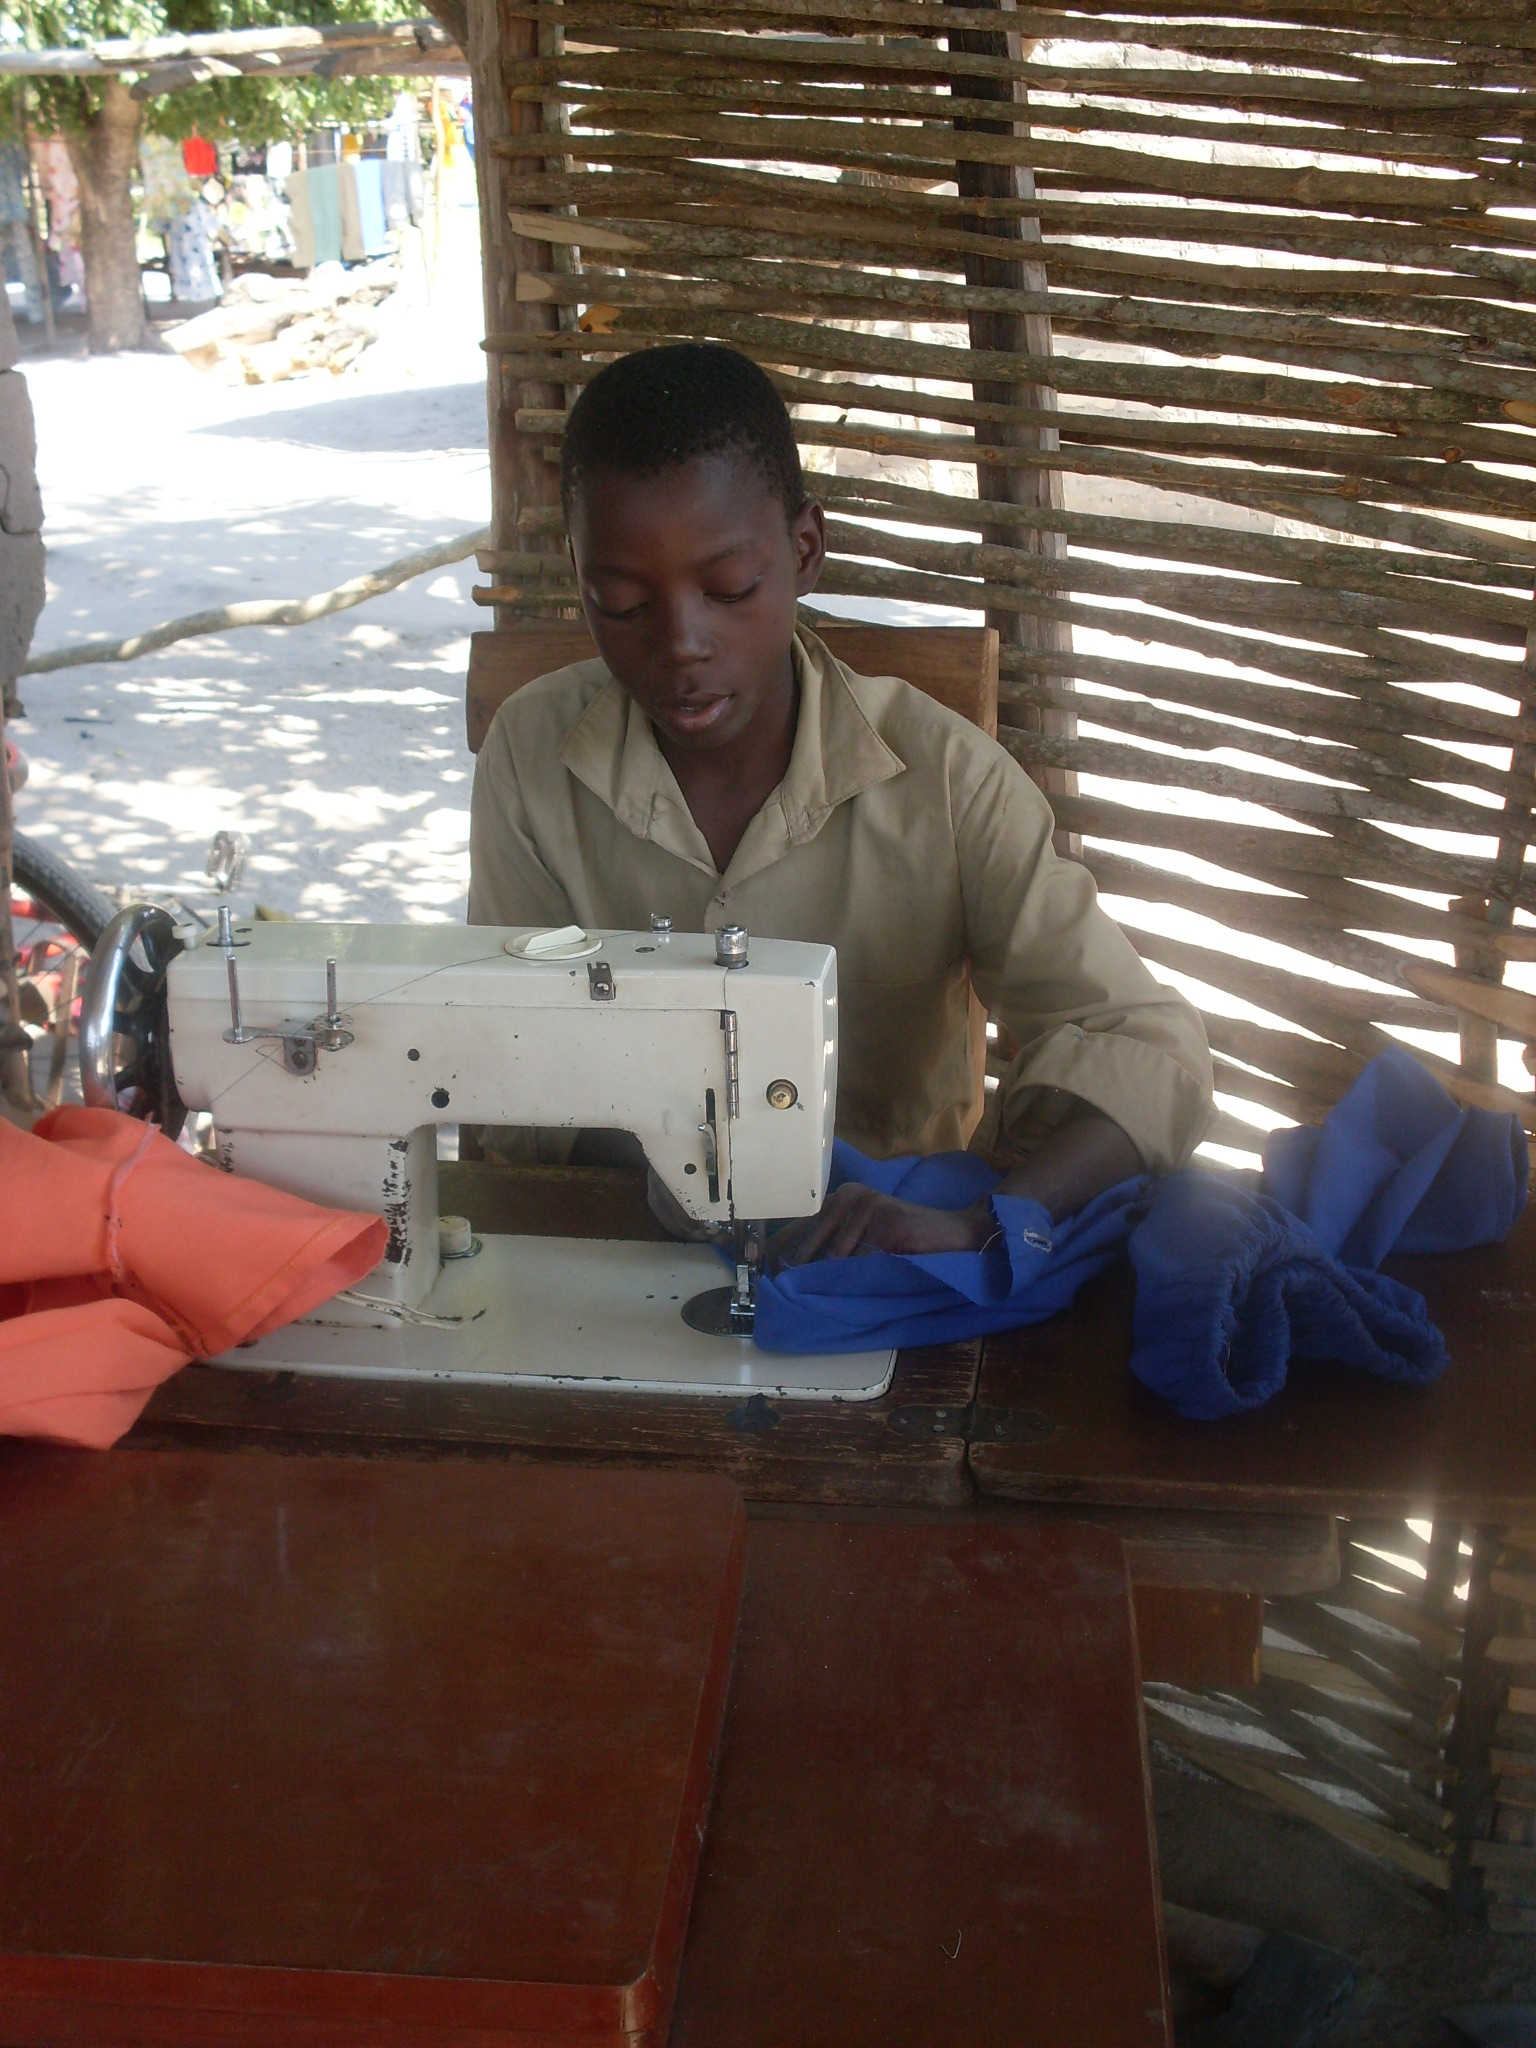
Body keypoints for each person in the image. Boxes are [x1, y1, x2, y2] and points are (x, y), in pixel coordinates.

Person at [468, 343, 1213, 1261]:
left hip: (890, 1255)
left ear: (805, 551)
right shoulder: (534, 758)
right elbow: (502, 1046)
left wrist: (983, 1221)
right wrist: (661, 1164)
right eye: (620, 603)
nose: (682, 643)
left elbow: (1147, 1048)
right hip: (627, 1248)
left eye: (730, 589)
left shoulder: (945, 782)